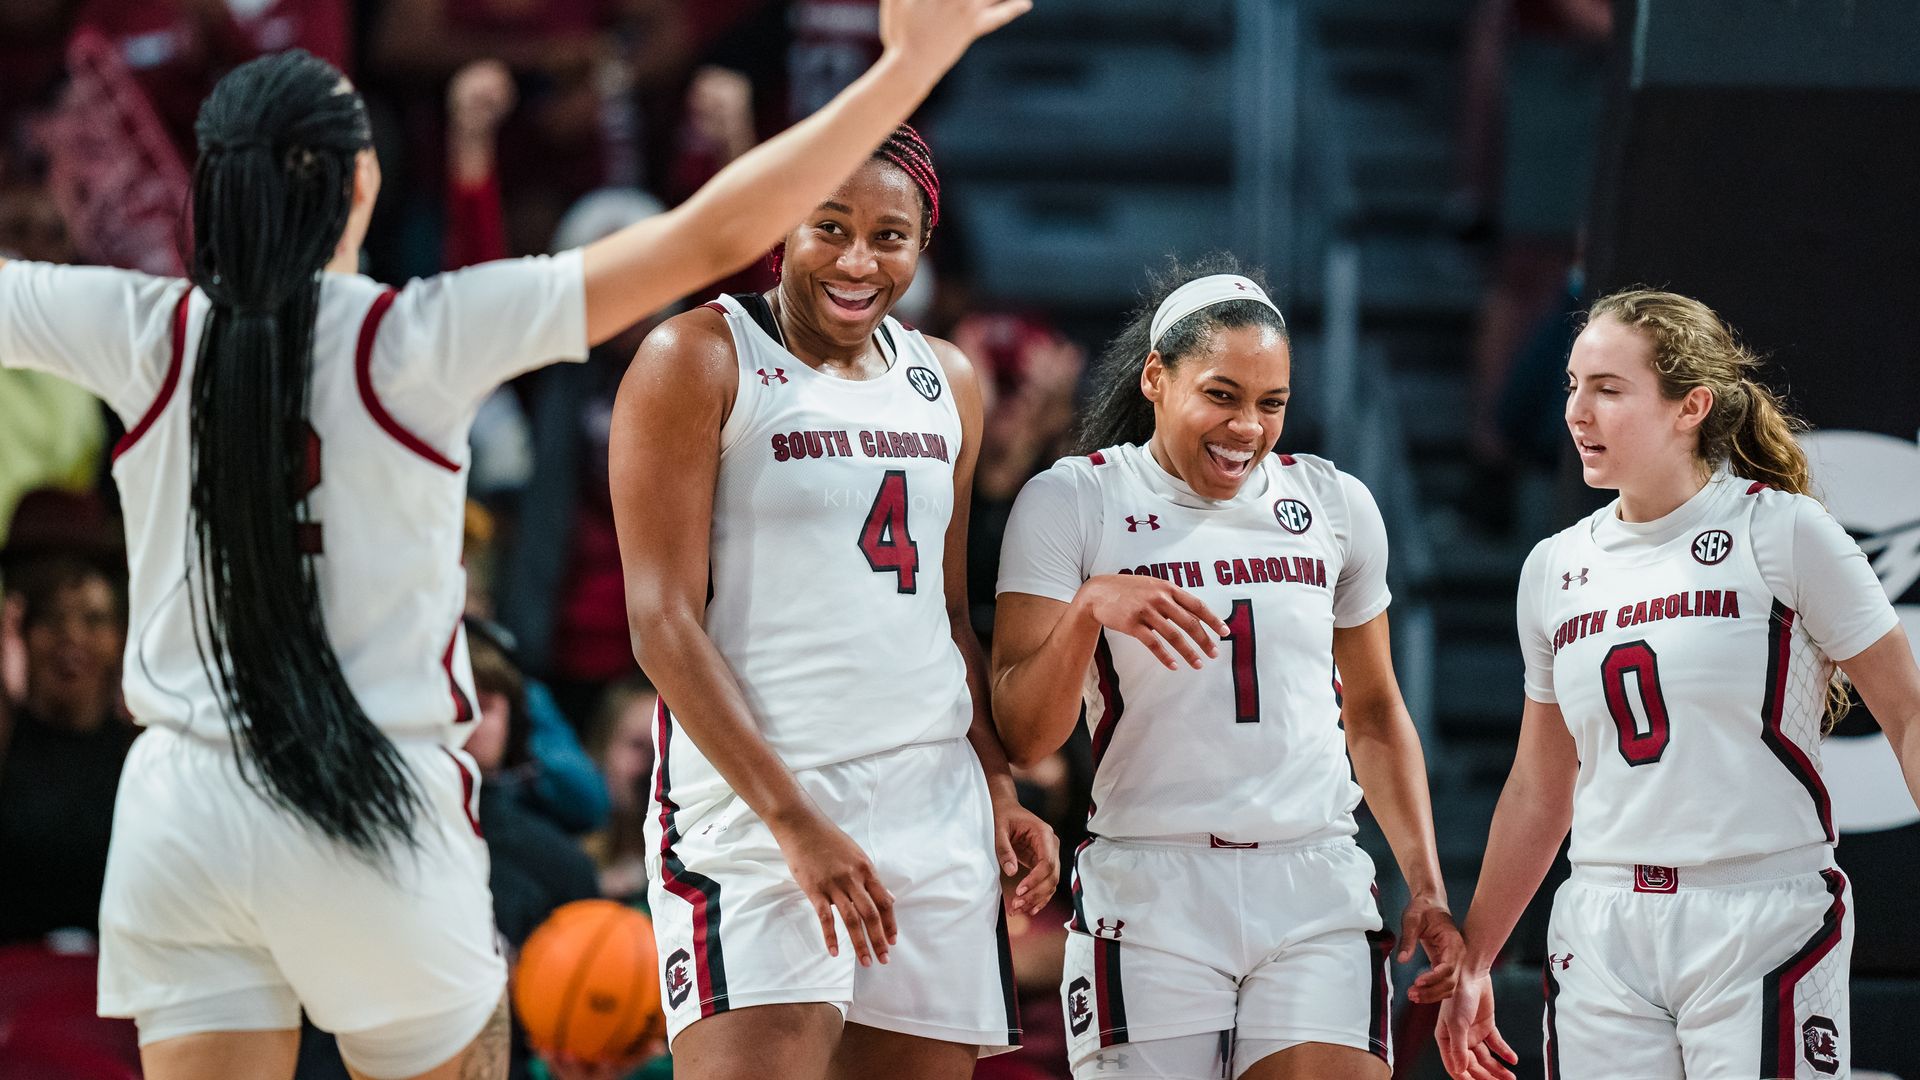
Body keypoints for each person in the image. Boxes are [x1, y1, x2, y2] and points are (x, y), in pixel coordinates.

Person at [0, 4, 1030, 1076]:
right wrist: (914, 62)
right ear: (363, 182)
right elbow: (716, 237)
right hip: (375, 801)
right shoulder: (414, 336)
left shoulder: (135, 326)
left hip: (182, 814)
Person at [610, 122, 1059, 1080]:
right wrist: (794, 821)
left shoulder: (952, 382)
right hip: (758, 805)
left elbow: (945, 616)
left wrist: (995, 784)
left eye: (888, 237)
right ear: (783, 225)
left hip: (930, 806)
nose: (858, 260)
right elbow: (660, 625)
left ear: (923, 244)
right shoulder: (696, 357)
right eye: (829, 227)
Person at [989, 256, 1465, 1080]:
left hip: (1314, 879)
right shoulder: (1072, 500)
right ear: (1155, 378)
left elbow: (1378, 713)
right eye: (1222, 395)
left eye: (1271, 404)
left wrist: (1424, 881)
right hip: (1151, 884)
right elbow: (1025, 736)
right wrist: (1087, 611)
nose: (1247, 426)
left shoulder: (1334, 503)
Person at [1435, 289, 1920, 1080]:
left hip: (1762, 911)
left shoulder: (1783, 530)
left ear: (1690, 405)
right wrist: (1479, 957)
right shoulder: (1554, 568)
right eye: (1571, 385)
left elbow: (1906, 716)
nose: (1577, 413)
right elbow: (1539, 784)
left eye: (1608, 389)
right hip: (1603, 919)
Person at [0, 556, 133, 944]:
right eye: (53, 620)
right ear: (23, 634)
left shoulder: (140, 754)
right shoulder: (7, 743)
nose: (71, 636)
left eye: (93, 621)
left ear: (118, 639)